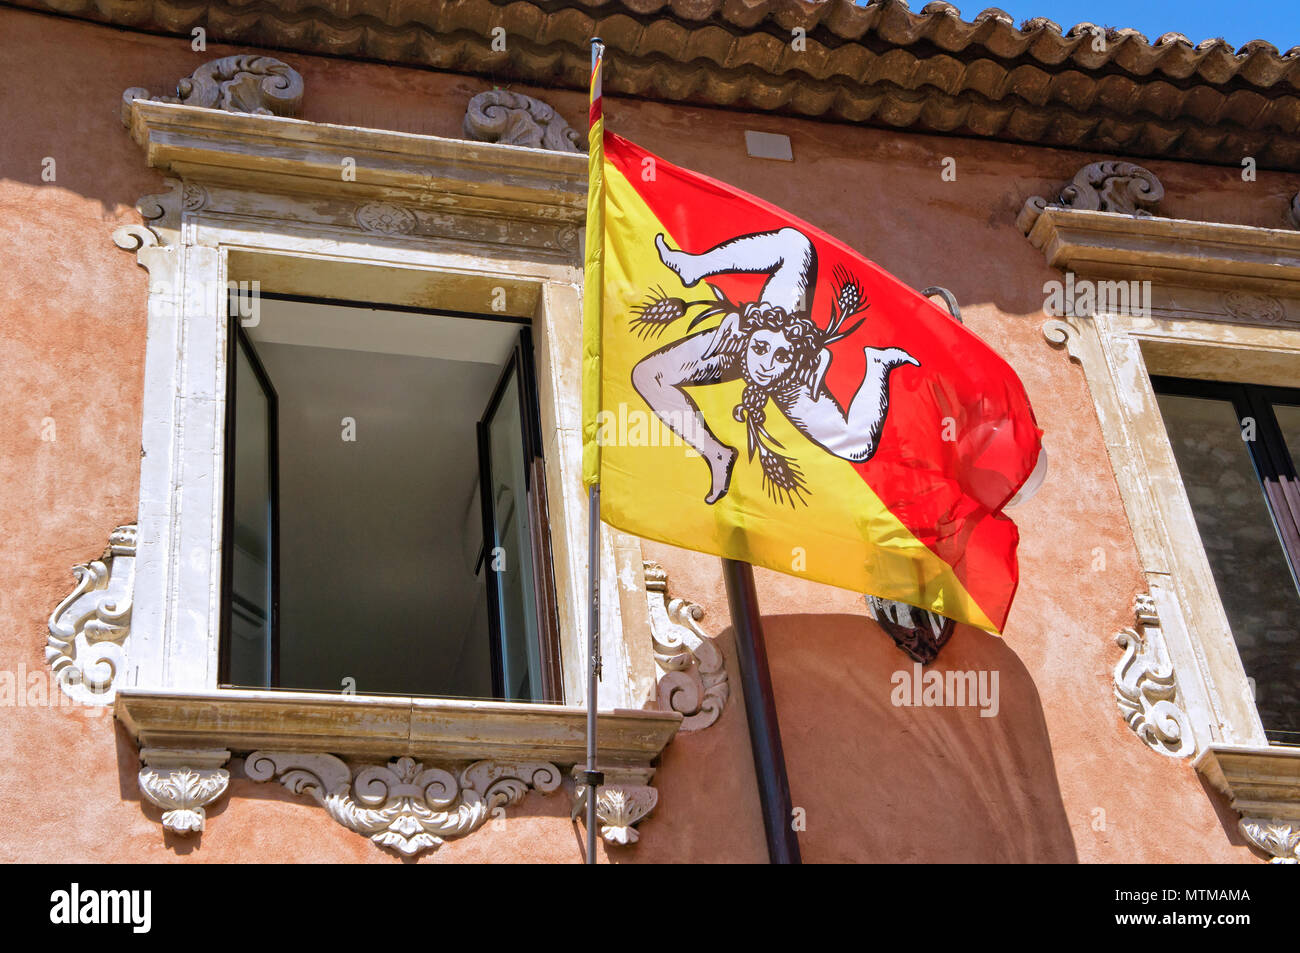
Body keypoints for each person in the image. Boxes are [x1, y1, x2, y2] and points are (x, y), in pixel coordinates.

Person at [630, 227, 919, 505]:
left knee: (858, 446)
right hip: (738, 347)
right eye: (762, 349)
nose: (765, 365)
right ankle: (716, 454)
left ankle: (878, 361)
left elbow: (858, 444)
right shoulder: (741, 334)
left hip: (791, 379)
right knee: (647, 375)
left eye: (778, 356)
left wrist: (877, 371)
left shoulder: (797, 375)